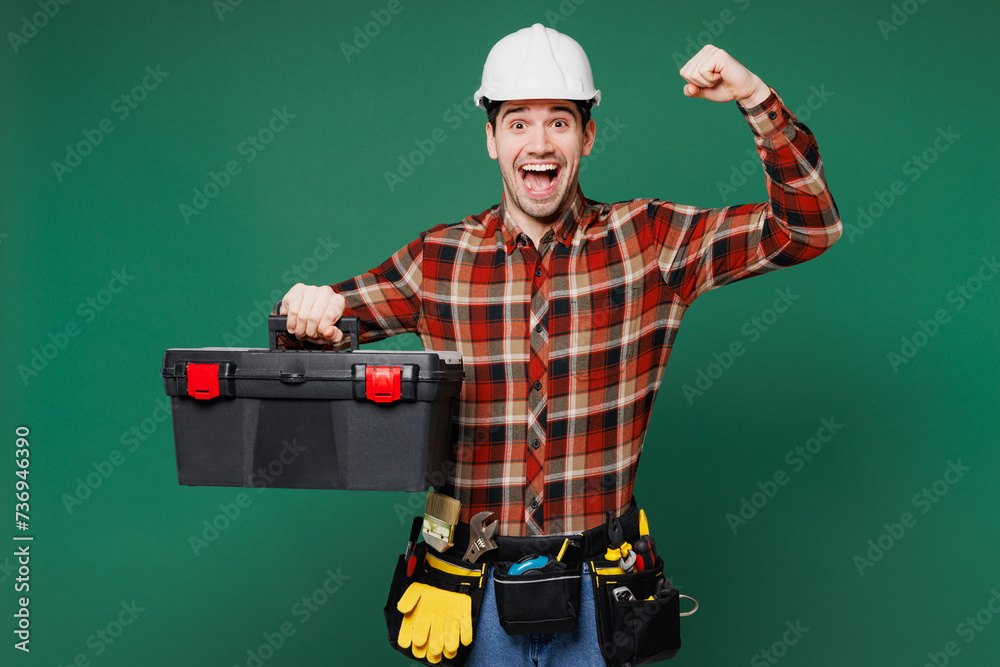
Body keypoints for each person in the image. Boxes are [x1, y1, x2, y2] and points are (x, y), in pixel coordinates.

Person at [280, 23, 841, 667]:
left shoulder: (650, 242)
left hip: (601, 592)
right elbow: (311, 343)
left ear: (588, 136)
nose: (538, 143)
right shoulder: (438, 260)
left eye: (559, 122)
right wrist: (310, 310)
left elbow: (809, 228)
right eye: (517, 123)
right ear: (491, 139)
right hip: (471, 592)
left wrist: (755, 97)